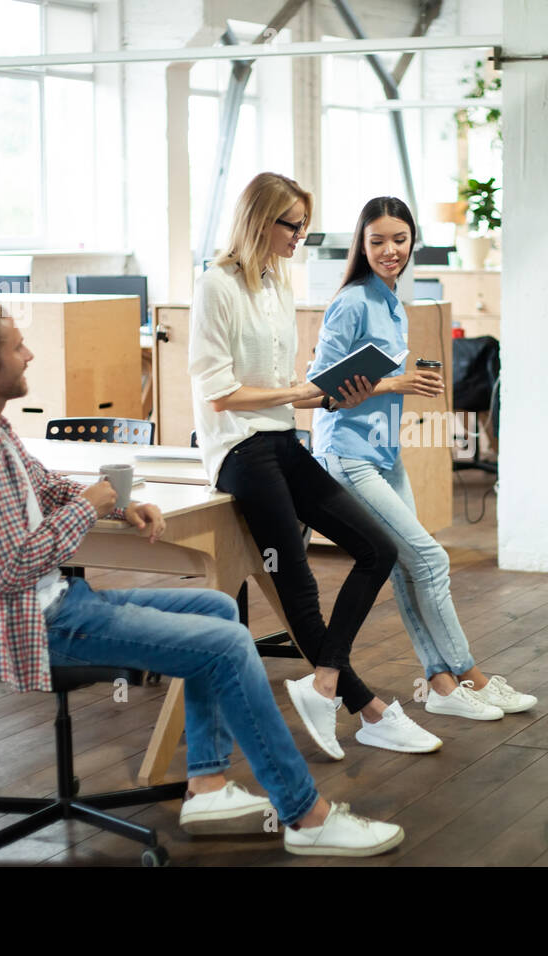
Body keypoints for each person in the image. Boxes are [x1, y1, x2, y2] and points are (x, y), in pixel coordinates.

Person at [0, 300, 404, 857]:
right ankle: (307, 815)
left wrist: (118, 505)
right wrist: (90, 507)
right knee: (226, 645)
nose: (28, 354)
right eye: (16, 346)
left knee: (220, 611)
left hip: (54, 603)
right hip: (35, 625)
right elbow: (10, 567)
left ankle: (207, 785)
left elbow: (46, 486)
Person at [190, 172, 442, 761]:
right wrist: (298, 394)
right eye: (292, 225)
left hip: (282, 437)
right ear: (260, 221)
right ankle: (371, 709)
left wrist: (331, 393)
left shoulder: (279, 281)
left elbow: (289, 384)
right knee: (296, 580)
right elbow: (220, 392)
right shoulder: (216, 286)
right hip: (238, 449)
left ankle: (325, 684)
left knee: (378, 549)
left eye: (305, 225)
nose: (300, 236)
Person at [309, 196, 538, 721]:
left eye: (399, 239)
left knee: (411, 567)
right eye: (377, 241)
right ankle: (471, 676)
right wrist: (400, 382)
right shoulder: (351, 302)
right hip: (348, 453)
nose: (390, 250)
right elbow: (322, 390)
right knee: (431, 559)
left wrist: (402, 391)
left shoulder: (392, 299)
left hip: (384, 450)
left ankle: (438, 684)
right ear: (361, 244)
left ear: (413, 241)